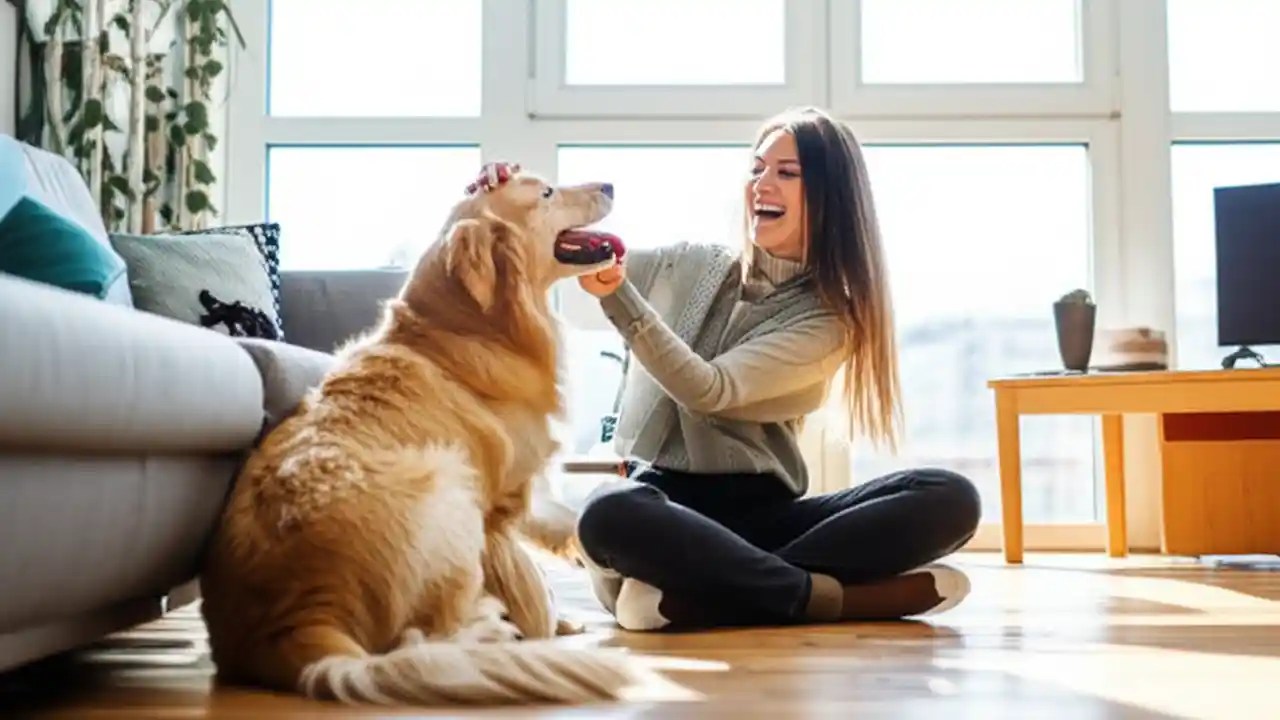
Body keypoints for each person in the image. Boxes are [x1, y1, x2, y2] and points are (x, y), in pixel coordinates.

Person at [572, 106, 982, 632]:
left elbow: (711, 390)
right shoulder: (690, 263)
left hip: (767, 522)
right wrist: (510, 208)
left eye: (787, 173)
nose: (762, 184)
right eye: (757, 169)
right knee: (608, 512)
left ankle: (703, 599)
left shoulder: (830, 320)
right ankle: (828, 599)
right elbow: (580, 260)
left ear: (830, 197)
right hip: (665, 514)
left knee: (949, 497)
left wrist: (623, 303)